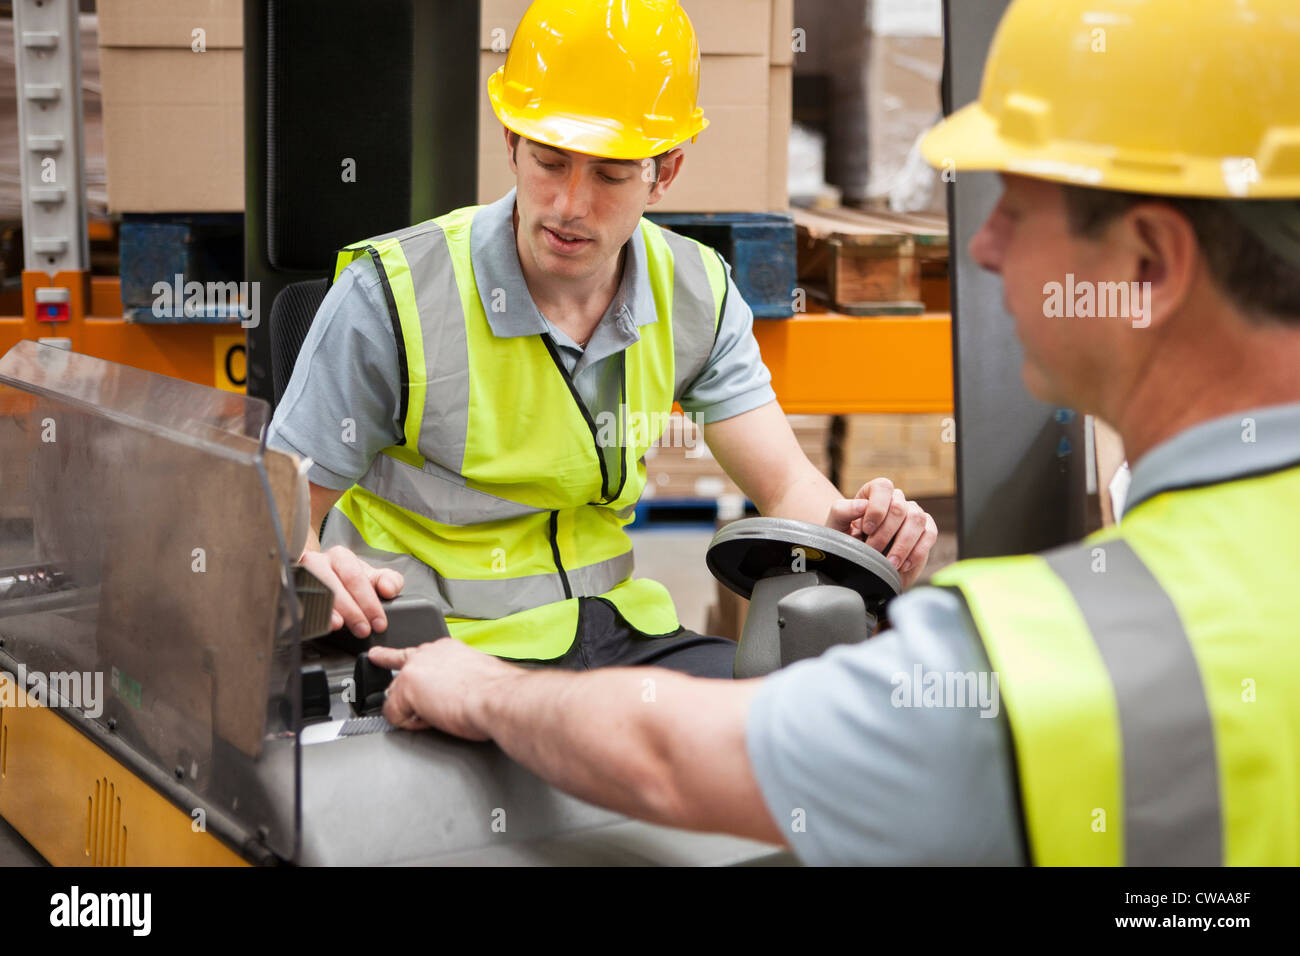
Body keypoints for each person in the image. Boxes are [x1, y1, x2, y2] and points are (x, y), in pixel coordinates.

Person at [370, 0, 1300, 864]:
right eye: (551, 159)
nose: (982, 245)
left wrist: (487, 692)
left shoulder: (1031, 662)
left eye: (1016, 207)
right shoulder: (399, 289)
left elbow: (668, 755)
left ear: (1147, 264)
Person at [267, 0, 937, 679]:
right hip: (432, 644)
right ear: (511, 142)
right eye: (550, 162)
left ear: (664, 172)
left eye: (611, 175)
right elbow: (278, 521)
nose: (569, 205)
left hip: (614, 635)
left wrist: (868, 533)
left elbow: (788, 484)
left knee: (757, 739)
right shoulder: (398, 293)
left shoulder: (693, 291)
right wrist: (310, 566)